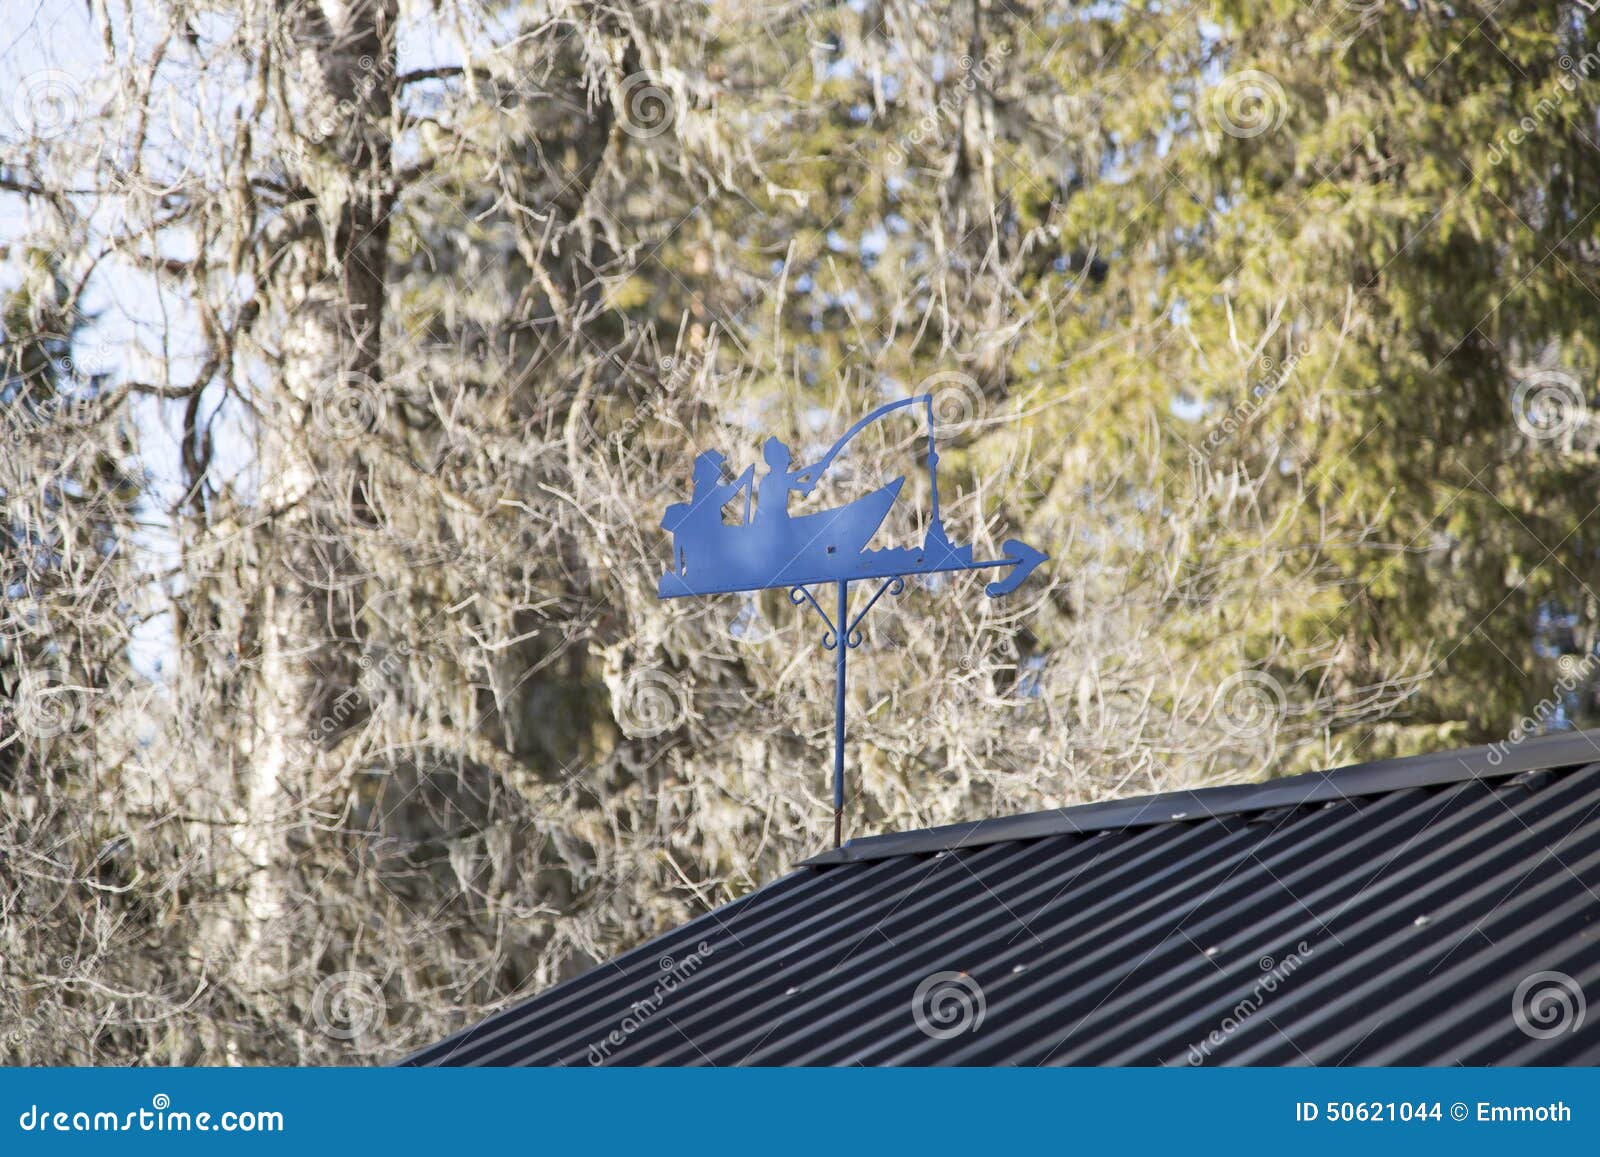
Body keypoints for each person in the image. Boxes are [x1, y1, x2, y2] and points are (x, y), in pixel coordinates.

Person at [661, 450, 752, 574]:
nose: (718, 471)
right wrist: (743, 479)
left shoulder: (707, 485)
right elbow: (725, 494)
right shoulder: (705, 487)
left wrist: (743, 479)